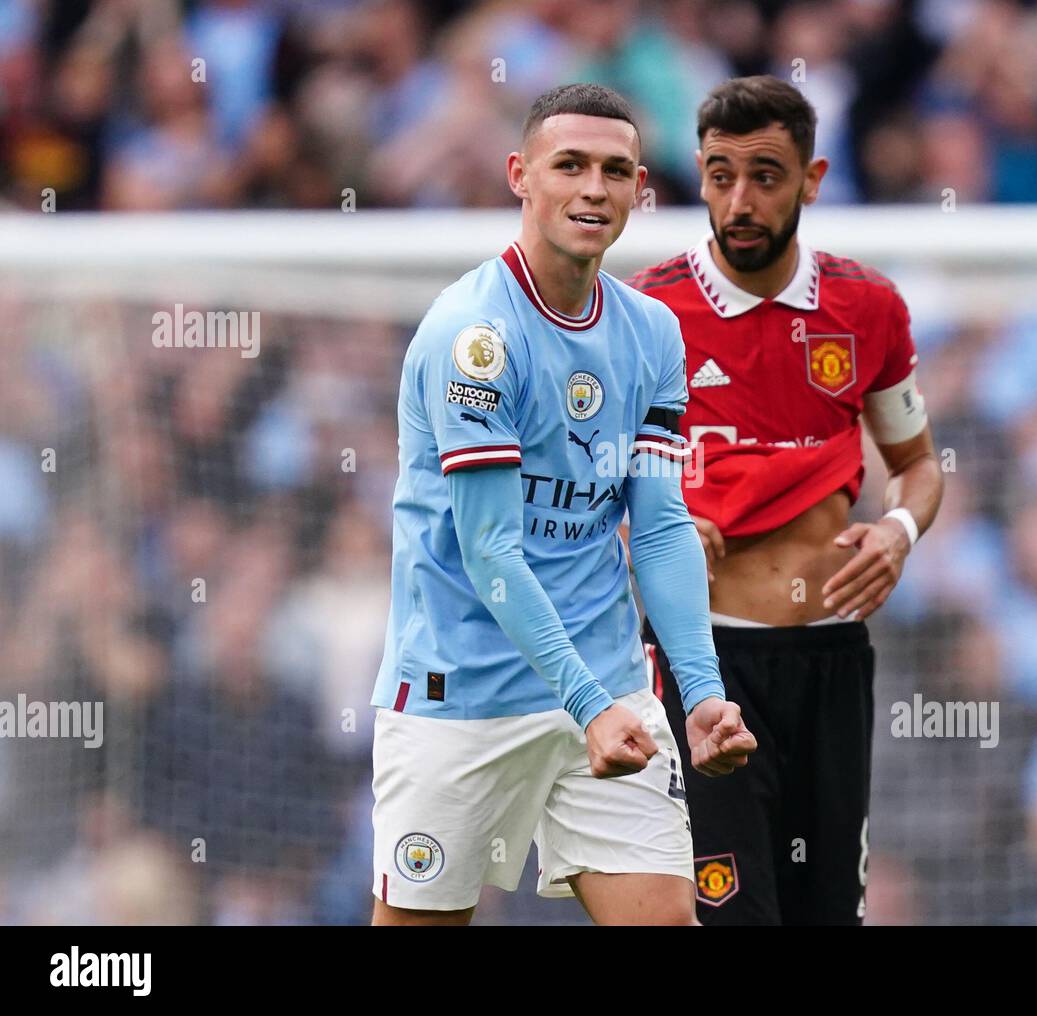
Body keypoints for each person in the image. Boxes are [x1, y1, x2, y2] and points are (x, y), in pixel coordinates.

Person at [369, 83, 756, 927]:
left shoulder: (652, 332)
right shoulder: (475, 336)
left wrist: (700, 693)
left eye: (616, 171)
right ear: (520, 175)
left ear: (639, 188)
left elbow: (655, 526)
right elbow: (491, 551)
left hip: (610, 689)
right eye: (569, 165)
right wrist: (588, 704)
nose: (593, 189)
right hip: (459, 694)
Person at [629, 76, 943, 925]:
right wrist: (657, 531)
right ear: (697, 173)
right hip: (702, 666)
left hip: (834, 659)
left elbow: (917, 462)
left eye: (765, 175)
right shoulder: (647, 311)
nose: (740, 199)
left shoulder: (865, 307)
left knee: (827, 915)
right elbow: (596, 488)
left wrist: (901, 530)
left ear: (811, 178)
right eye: (721, 174)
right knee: (734, 916)